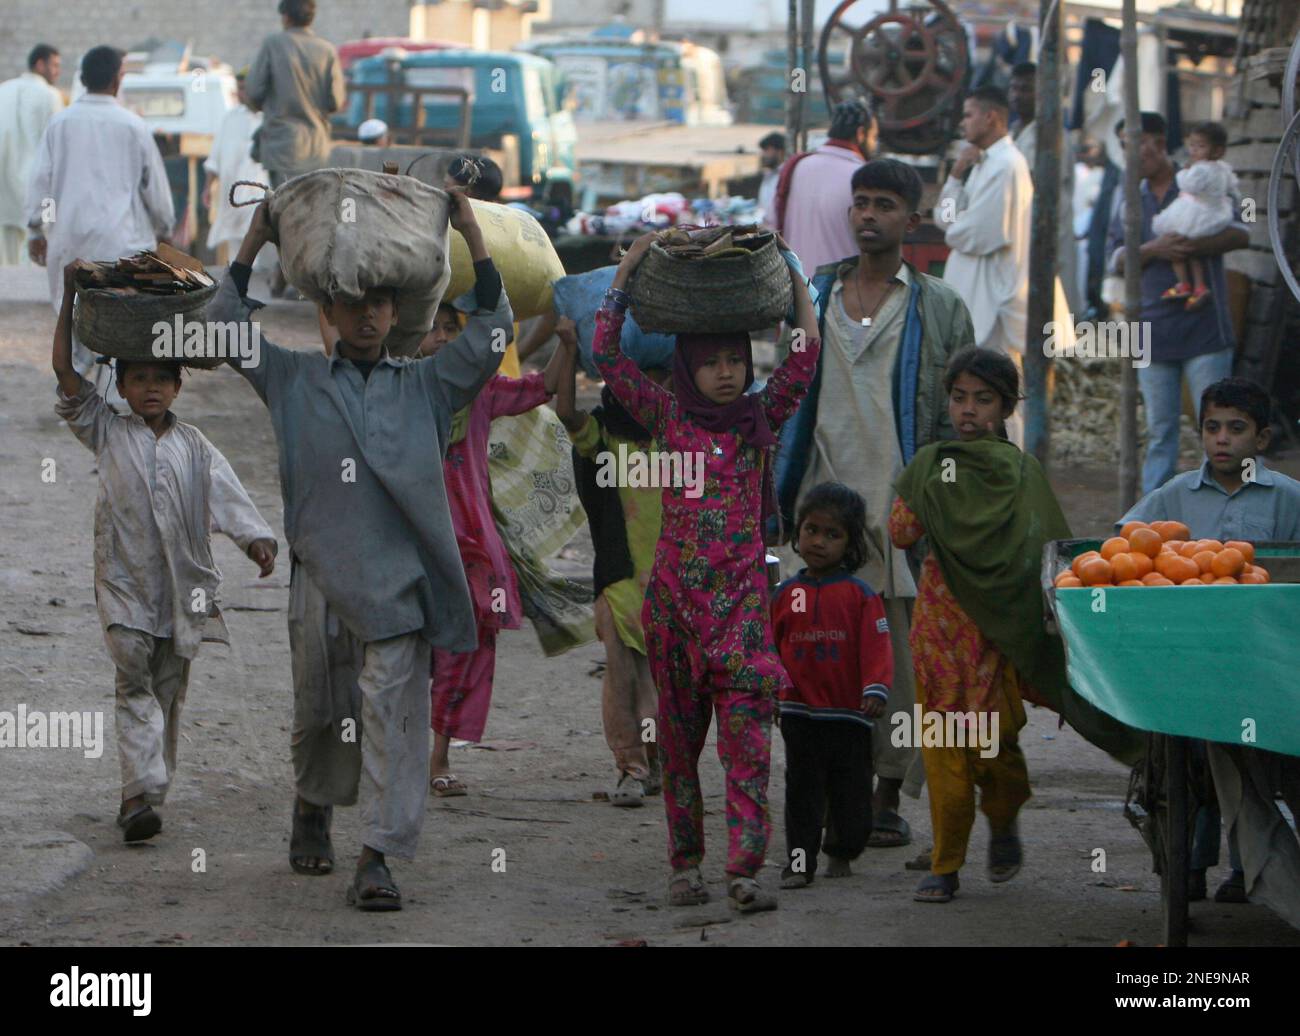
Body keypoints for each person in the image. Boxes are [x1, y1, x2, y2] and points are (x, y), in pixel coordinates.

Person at [210, 186, 513, 911]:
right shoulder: (292, 378)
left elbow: (495, 330)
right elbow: (220, 327)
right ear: (329, 311)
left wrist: (471, 229)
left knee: (397, 720)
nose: (372, 314)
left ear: (397, 310)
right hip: (319, 573)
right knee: (321, 710)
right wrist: (254, 239)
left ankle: (379, 854)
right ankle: (313, 801)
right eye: (356, 303)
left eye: (383, 302)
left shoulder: (430, 383)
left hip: (401, 586)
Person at [594, 232, 821, 914]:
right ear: (685, 366)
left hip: (746, 613)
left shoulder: (761, 417)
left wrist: (794, 275)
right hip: (677, 614)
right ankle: (685, 866)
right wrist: (629, 269)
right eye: (712, 361)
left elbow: (806, 356)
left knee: (749, 749)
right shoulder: (666, 416)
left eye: (736, 360)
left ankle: (745, 871)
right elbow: (606, 353)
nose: (725, 371)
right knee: (682, 747)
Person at [775, 158, 974, 853]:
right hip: (822, 504)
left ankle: (884, 797)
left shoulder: (939, 306)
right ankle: (833, 793)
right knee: (819, 655)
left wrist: (948, 505)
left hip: (900, 511)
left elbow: (958, 415)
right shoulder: (813, 292)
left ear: (911, 221)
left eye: (884, 205)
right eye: (861, 203)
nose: (868, 216)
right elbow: (782, 380)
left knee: (897, 666)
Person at [52, 259, 277, 843]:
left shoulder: (195, 445)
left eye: (161, 378)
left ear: (179, 384)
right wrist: (68, 297)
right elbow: (65, 371)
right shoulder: (108, 431)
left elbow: (227, 497)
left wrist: (256, 538)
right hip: (124, 587)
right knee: (132, 681)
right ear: (121, 386)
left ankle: (150, 792)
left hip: (184, 591)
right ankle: (135, 796)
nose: (149, 388)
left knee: (168, 694)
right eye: (137, 378)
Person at [889, 348, 1068, 903]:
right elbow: (900, 532)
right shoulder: (933, 465)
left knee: (994, 749)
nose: (968, 411)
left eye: (983, 399)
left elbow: (1046, 549)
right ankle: (945, 866)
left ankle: (1003, 817)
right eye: (959, 398)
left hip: (996, 632)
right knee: (945, 753)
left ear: (1007, 406)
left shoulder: (1019, 473)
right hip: (940, 633)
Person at [1116, 377, 1300, 906]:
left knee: (1253, 762)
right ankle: (1191, 865)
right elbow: (1125, 542)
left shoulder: (1287, 497)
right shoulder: (1174, 494)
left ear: (1261, 439)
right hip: (1190, 659)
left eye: (1236, 429)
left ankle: (1246, 871)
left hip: (1264, 659)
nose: (1222, 439)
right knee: (1191, 759)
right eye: (1212, 428)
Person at [419, 303, 572, 796]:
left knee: (463, 652)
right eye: (431, 328)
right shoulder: (398, 388)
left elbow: (539, 388)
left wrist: (568, 346)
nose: (442, 337)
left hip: (472, 548)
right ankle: (394, 753)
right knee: (400, 653)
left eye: (451, 328)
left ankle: (438, 758)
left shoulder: (479, 391)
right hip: (413, 541)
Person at [1106, 111, 1248, 494]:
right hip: (1151, 330)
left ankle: (1225, 514)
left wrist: (1192, 243)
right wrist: (1154, 248)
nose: (1131, 154)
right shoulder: (1127, 198)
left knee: (1219, 430)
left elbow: (1241, 232)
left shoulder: (1204, 178)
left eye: (1135, 144)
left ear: (1157, 141)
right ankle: (1156, 520)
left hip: (1204, 329)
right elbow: (1115, 258)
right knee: (1160, 432)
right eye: (1123, 147)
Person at [559, 317, 667, 807]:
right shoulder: (602, 435)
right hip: (618, 579)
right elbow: (566, 411)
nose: (651, 388)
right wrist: (566, 345)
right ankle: (630, 766)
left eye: (662, 377)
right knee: (622, 678)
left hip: (668, 582)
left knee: (659, 682)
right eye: (641, 378)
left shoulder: (678, 434)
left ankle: (657, 761)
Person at [25, 45, 173, 397]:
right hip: (123, 247)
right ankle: (113, 401)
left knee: (74, 323)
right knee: (118, 327)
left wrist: (41, 227)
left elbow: (43, 184)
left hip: (69, 242)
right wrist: (165, 230)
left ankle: (76, 406)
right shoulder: (133, 126)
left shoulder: (59, 124)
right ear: (115, 80)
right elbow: (155, 190)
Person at [771, 482, 893, 887]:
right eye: (811, 530)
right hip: (799, 713)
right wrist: (772, 690)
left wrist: (875, 688)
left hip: (849, 716)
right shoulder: (786, 593)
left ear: (850, 542)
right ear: (797, 532)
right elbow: (771, 647)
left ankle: (843, 849)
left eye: (832, 534)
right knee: (801, 792)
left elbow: (877, 646)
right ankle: (799, 863)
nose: (818, 541)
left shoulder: (859, 596)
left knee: (851, 793)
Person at [938, 86, 1032, 448]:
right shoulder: (982, 163)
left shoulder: (1007, 165)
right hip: (977, 297)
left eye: (968, 114)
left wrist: (954, 228)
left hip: (993, 298)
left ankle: (1012, 468)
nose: (963, 123)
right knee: (975, 390)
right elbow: (947, 218)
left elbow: (977, 234)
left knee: (1001, 393)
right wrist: (956, 176)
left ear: (990, 117)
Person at [246, 0, 345, 296]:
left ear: (285, 16)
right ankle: (296, 279)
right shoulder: (327, 50)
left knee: (284, 213)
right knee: (316, 216)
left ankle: (286, 276)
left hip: (282, 144)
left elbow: (252, 92)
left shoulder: (274, 44)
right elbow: (336, 102)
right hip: (316, 147)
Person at [1007, 60, 1081, 320]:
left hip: (1047, 237)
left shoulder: (1052, 136)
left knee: (1048, 318)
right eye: (1014, 88)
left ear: (1042, 93)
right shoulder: (1014, 133)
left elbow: (1033, 186)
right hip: (1021, 241)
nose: (1017, 96)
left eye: (1025, 89)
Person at [773, 100, 878, 273]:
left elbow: (772, 226)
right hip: (842, 290)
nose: (874, 144)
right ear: (861, 134)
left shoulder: (796, 167)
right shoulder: (865, 177)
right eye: (874, 137)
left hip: (798, 288)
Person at [1150, 121, 1238, 311]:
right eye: (1192, 145)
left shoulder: (1200, 169)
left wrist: (1185, 170)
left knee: (1176, 246)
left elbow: (1188, 185)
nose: (1194, 151)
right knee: (1194, 254)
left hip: (1197, 211)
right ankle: (1199, 286)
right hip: (1215, 211)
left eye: (1200, 146)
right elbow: (1232, 187)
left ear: (1216, 151)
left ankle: (1183, 283)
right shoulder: (1223, 168)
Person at [201, 68, 275, 268]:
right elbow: (215, 159)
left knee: (259, 245)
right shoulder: (230, 118)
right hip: (232, 197)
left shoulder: (270, 120)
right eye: (238, 89)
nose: (241, 94)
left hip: (259, 196)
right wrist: (208, 187)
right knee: (236, 249)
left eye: (244, 88)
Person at [0, 43, 63, 265]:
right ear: (40, 64)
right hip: (38, 191)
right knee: (40, 256)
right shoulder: (50, 95)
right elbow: (56, 153)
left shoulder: (3, 89)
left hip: (4, 190)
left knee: (5, 259)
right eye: (54, 65)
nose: (58, 71)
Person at [756, 131, 786, 229]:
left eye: (766, 150)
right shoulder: (769, 176)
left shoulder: (786, 177)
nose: (763, 155)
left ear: (780, 151)